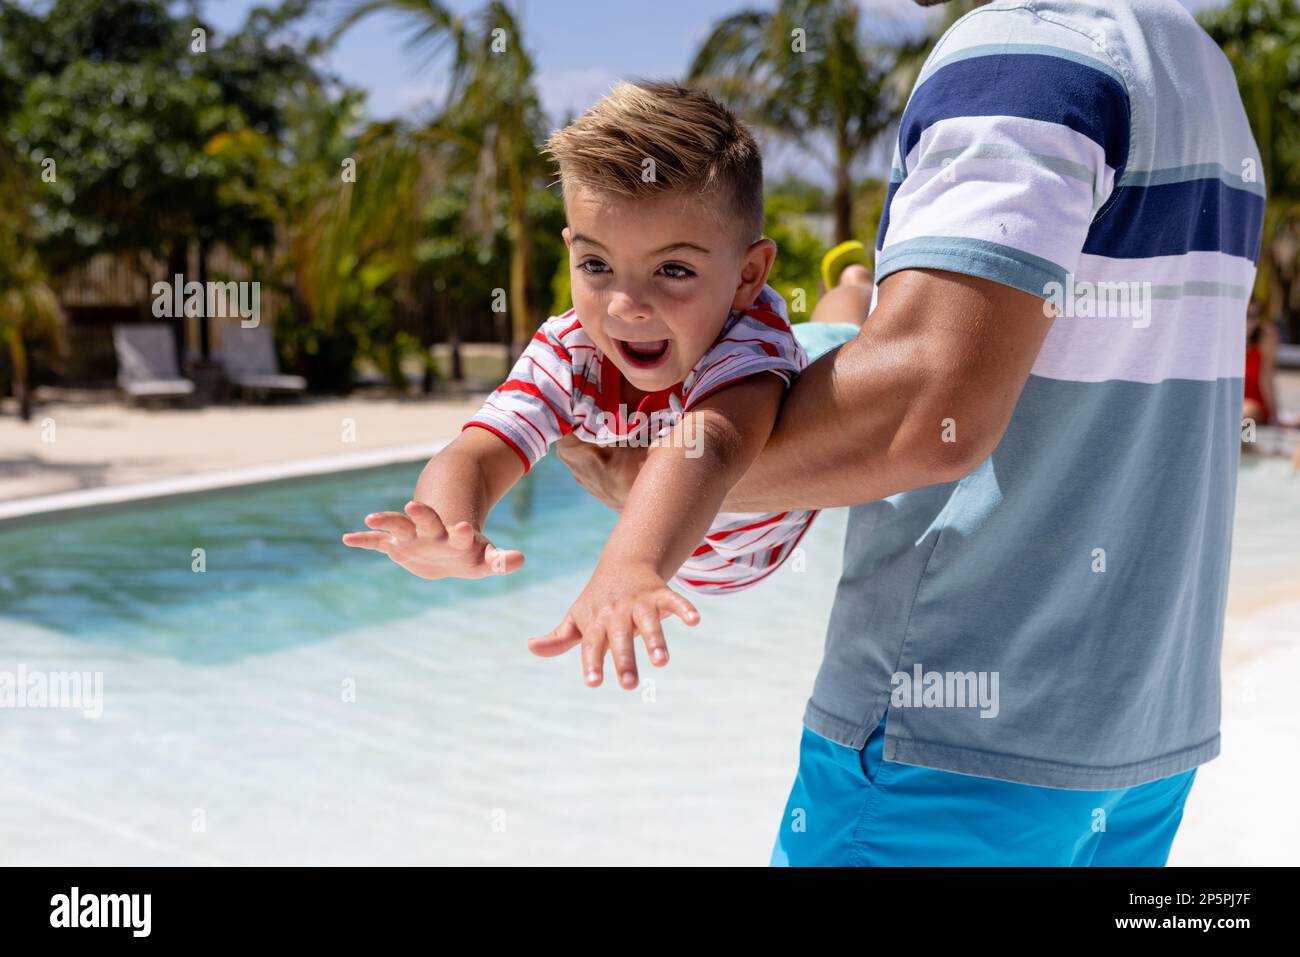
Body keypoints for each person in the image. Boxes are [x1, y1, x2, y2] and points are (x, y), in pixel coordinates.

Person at [549, 0, 1265, 866]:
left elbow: (928, 410)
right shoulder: (1196, 65)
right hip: (1144, 731)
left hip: (953, 745)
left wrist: (648, 489)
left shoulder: (1028, 56)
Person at [342, 81, 818, 689]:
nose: (627, 305)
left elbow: (710, 446)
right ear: (570, 250)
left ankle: (850, 287)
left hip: (777, 514)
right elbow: (478, 451)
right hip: (701, 556)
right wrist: (447, 524)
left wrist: (628, 565)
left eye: (673, 270)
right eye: (596, 265)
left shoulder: (749, 339)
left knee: (837, 334)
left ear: (748, 274)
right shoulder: (570, 350)